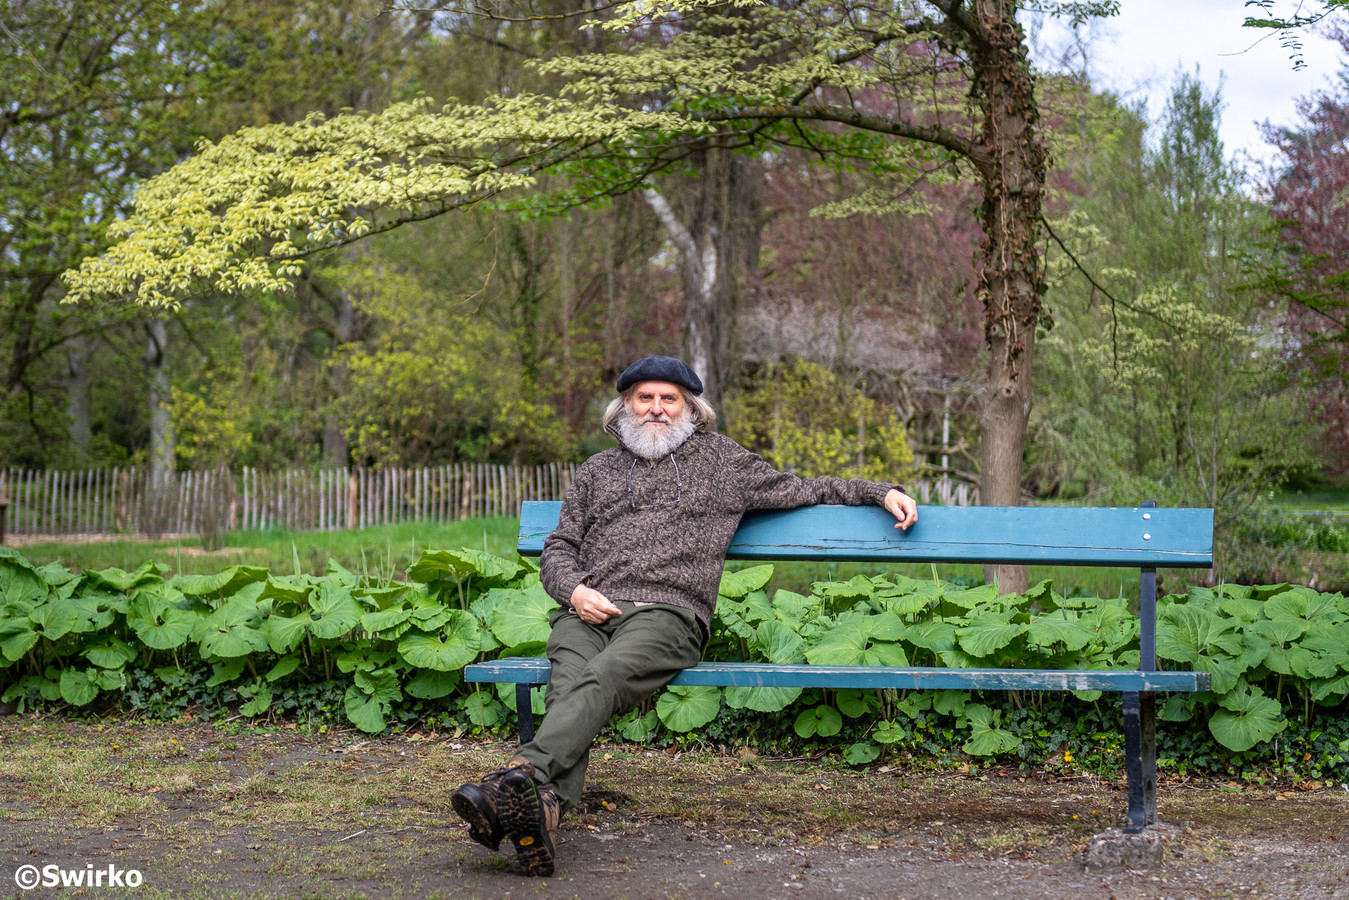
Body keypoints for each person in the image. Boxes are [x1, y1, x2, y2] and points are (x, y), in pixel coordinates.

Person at [451, 355, 917, 876]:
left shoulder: (723, 464)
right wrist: (574, 590)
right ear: (625, 406)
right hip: (589, 609)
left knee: (600, 677)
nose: (656, 409)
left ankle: (515, 779)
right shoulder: (597, 471)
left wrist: (881, 491)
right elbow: (560, 545)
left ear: (691, 409)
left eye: (668, 399)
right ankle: (541, 812)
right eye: (644, 398)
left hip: (668, 615)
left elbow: (807, 487)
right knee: (568, 683)